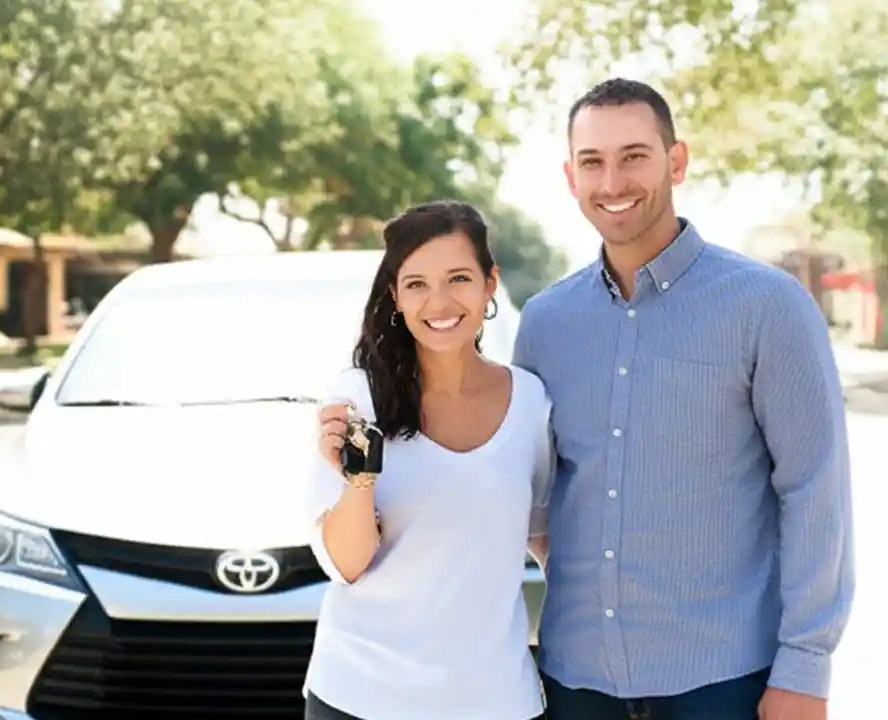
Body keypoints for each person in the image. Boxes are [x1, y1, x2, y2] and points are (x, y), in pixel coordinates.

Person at [513, 78, 854, 719]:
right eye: (593, 162)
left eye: (634, 155)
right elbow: (535, 488)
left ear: (677, 160)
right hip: (576, 681)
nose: (612, 181)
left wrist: (806, 670)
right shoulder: (545, 323)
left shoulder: (767, 307)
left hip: (723, 684)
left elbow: (815, 491)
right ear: (570, 176)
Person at [303, 200, 555, 720]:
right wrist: (359, 480)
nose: (438, 301)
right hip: (361, 698)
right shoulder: (355, 400)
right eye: (416, 283)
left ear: (491, 284)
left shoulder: (531, 402)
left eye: (458, 278)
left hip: (495, 703)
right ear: (395, 295)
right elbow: (346, 564)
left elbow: (549, 543)